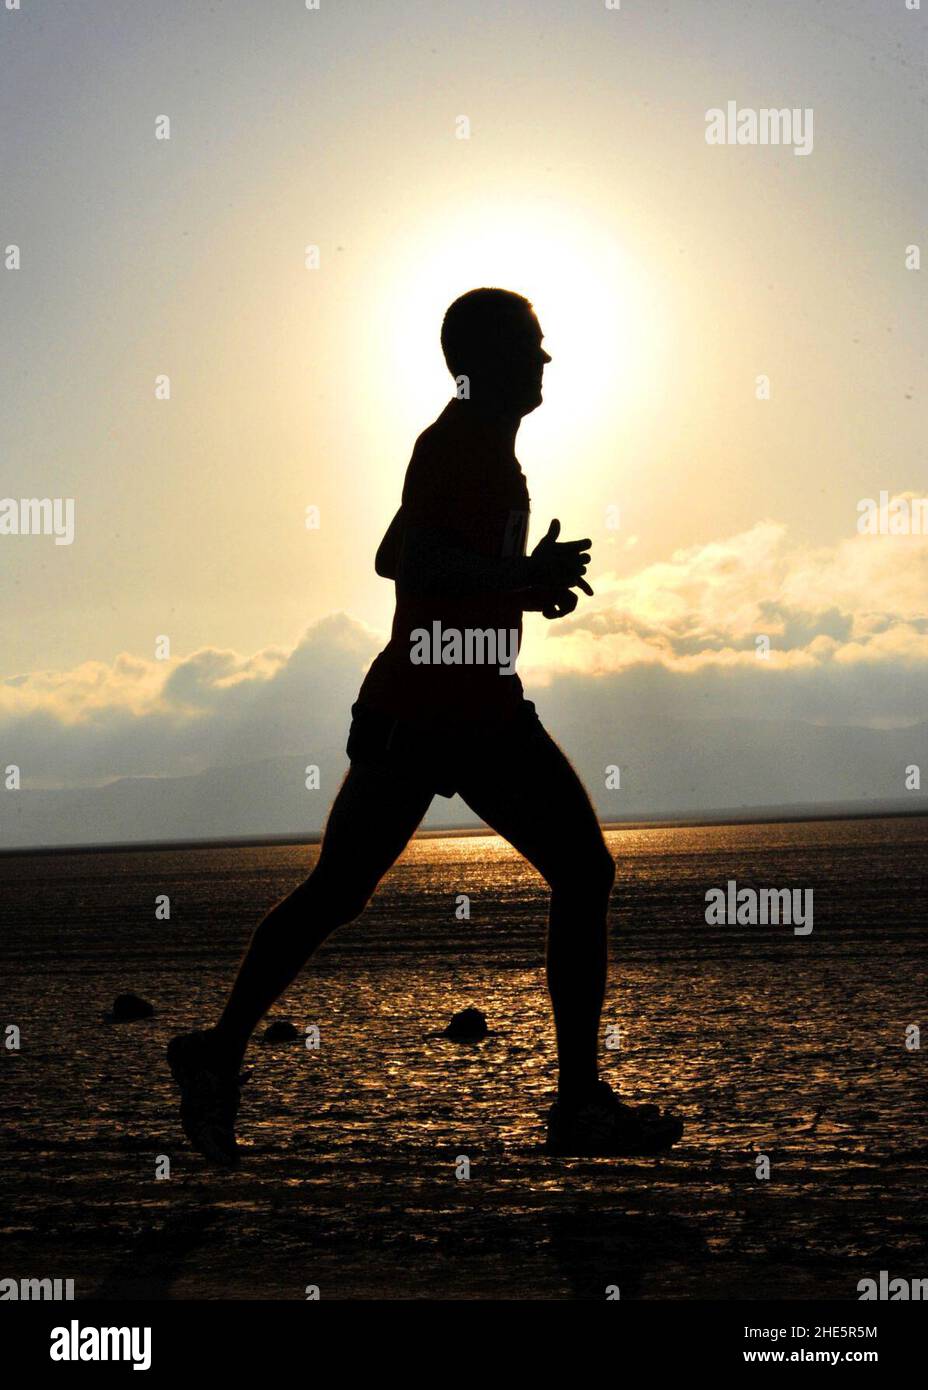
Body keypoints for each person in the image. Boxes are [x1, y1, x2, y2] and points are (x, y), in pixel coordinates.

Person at [167, 287, 683, 1165]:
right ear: (483, 362)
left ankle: (218, 1054)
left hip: (471, 705)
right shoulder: (457, 447)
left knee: (566, 874)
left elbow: (391, 555)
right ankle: (217, 1054)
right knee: (351, 892)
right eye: (530, 345)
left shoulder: (472, 449)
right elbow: (426, 566)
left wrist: (520, 585)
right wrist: (518, 574)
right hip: (428, 712)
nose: (546, 360)